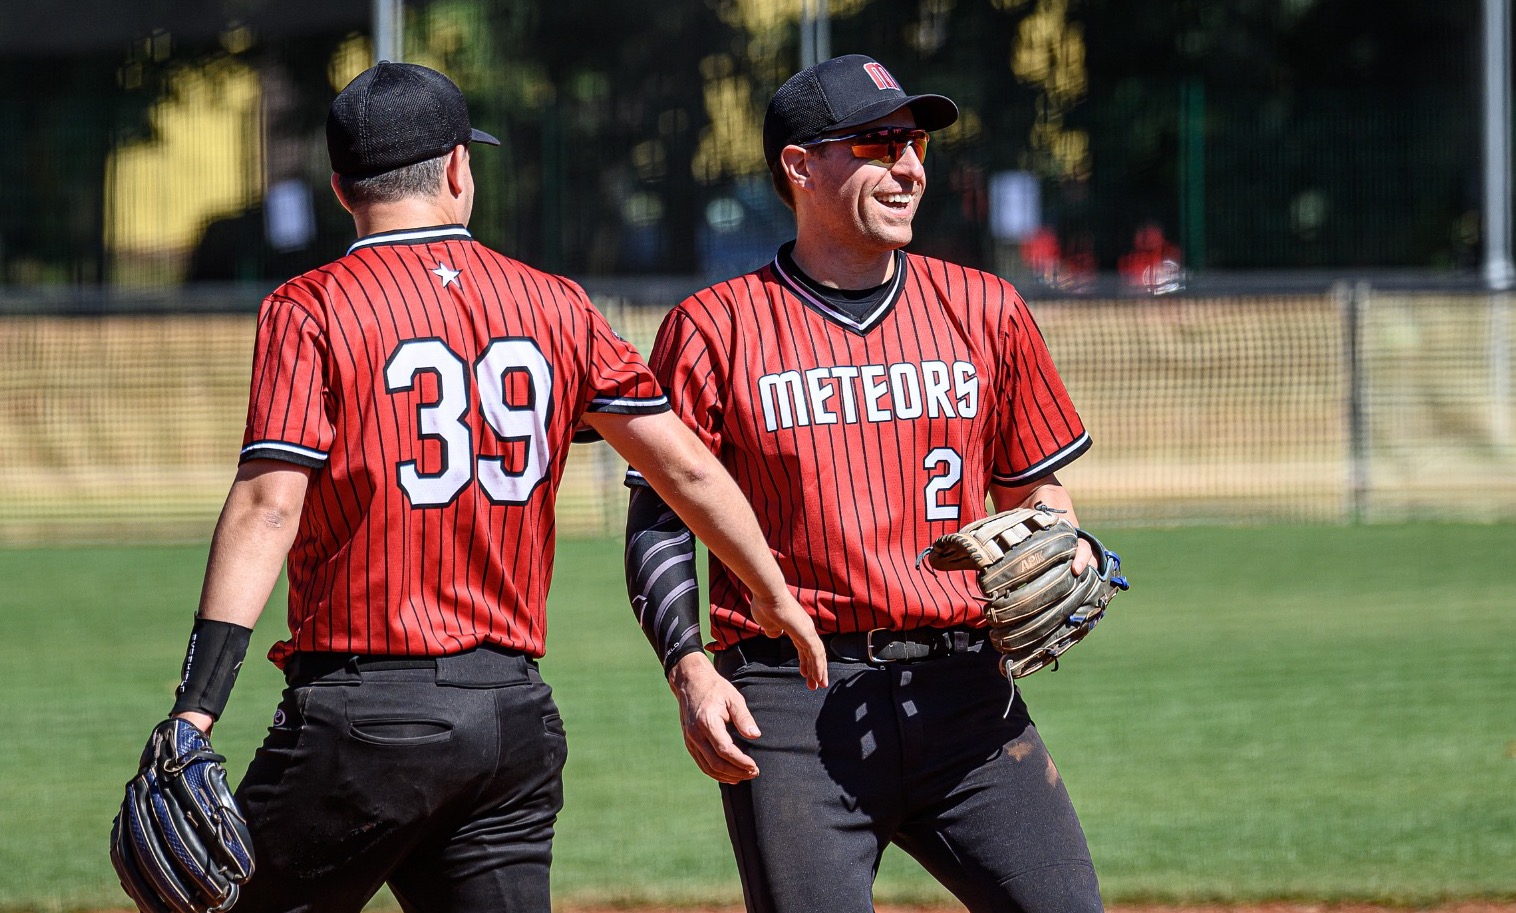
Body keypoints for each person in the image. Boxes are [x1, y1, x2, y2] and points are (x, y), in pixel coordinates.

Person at [156, 61, 825, 913]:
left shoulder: (312, 307)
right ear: (458, 170)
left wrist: (196, 710)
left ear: (340, 189)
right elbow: (686, 464)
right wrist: (772, 591)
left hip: (365, 718)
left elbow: (268, 502)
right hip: (510, 722)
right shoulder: (556, 304)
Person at [624, 54, 1104, 913]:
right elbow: (660, 520)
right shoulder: (715, 328)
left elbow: (1041, 496)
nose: (910, 165)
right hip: (793, 702)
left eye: (913, 142)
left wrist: (1068, 550)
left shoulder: (986, 309)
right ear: (800, 167)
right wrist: (689, 666)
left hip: (965, 698)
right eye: (877, 143)